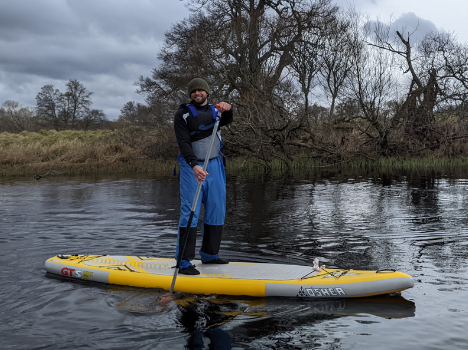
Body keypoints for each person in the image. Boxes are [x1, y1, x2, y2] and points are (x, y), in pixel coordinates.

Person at [174, 77, 233, 275]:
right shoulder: (182, 114)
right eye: (193, 91)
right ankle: (183, 260)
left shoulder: (216, 112)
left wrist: (228, 108)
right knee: (190, 211)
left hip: (216, 165)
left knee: (216, 209)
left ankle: (209, 254)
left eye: (200, 90)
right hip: (193, 166)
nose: (197, 93)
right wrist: (194, 165)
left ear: (207, 92)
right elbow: (183, 143)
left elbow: (228, 119)